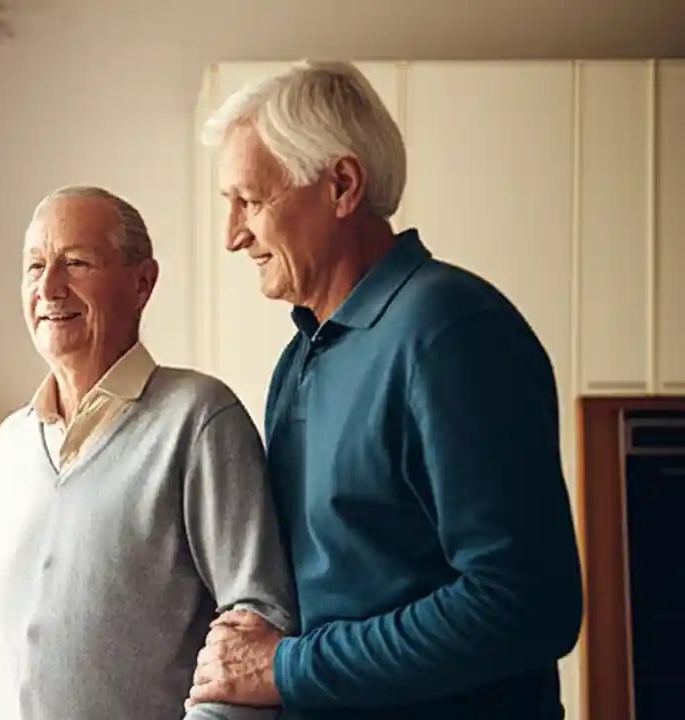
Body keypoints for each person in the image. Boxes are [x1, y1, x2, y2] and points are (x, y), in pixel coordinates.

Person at [185, 60, 584, 720]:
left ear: (341, 185)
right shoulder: (301, 357)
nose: (233, 236)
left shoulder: (451, 331)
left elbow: (524, 603)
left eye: (250, 201)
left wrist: (287, 666)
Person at [0, 186, 297, 720]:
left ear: (142, 282)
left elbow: (256, 617)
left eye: (76, 263)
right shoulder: (11, 443)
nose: (49, 288)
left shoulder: (199, 419)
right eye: (35, 266)